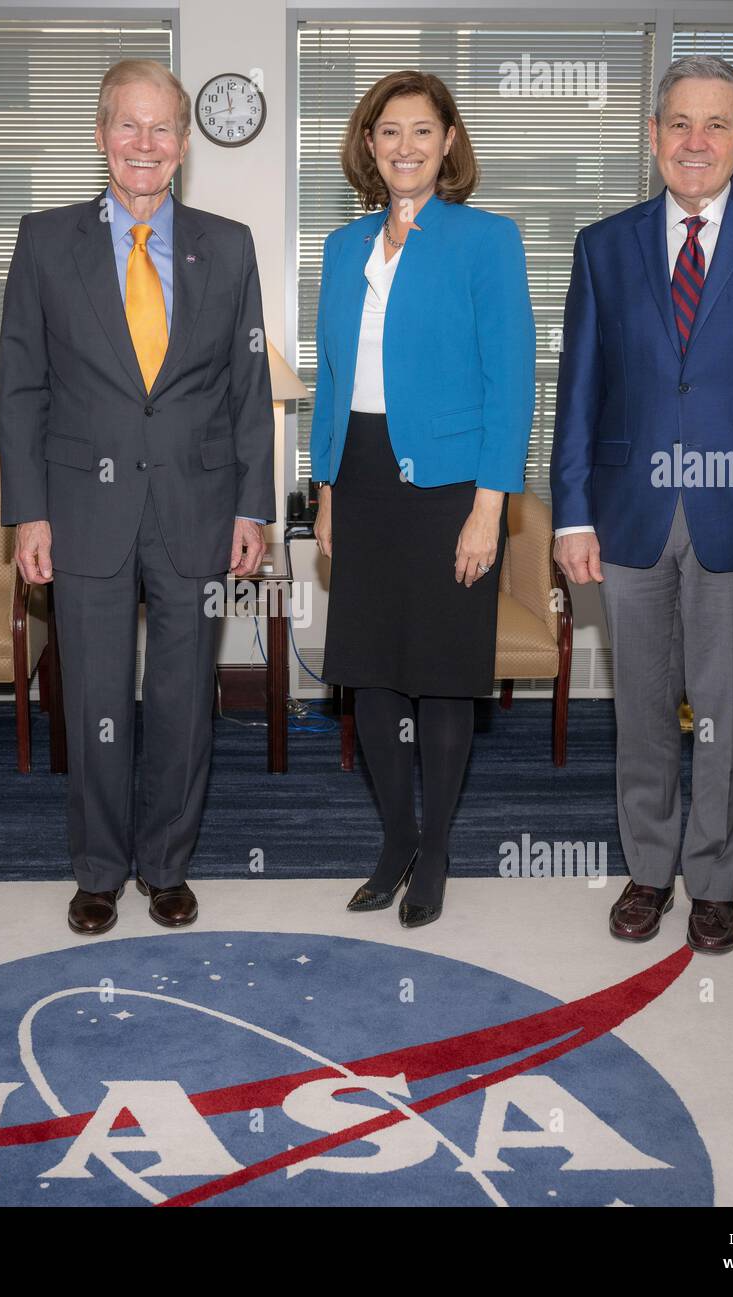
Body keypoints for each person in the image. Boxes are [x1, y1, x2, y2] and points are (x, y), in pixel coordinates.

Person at [550, 56, 733, 954]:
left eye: (717, 125)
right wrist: (570, 515)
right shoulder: (605, 245)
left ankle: (714, 880)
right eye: (679, 123)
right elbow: (580, 389)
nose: (697, 142)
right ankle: (648, 870)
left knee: (724, 713)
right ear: (653, 137)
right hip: (629, 517)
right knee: (639, 709)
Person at [0, 60, 274, 936]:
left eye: (163, 129)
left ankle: (167, 864)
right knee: (97, 700)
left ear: (185, 144)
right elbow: (22, 388)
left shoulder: (227, 245)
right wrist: (28, 511)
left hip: (198, 507)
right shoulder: (44, 242)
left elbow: (246, 385)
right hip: (82, 510)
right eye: (129, 126)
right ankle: (97, 868)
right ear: (100, 135)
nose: (145, 145)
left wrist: (254, 507)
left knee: (186, 697)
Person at [310, 70, 535, 927]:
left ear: (448, 143)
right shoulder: (342, 246)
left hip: (450, 484)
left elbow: (510, 381)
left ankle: (436, 850)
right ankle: (395, 838)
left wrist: (491, 506)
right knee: (367, 673)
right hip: (362, 475)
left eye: (421, 131)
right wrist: (325, 490)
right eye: (387, 131)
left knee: (442, 677)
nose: (404, 146)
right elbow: (333, 379)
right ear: (369, 146)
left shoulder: (486, 240)